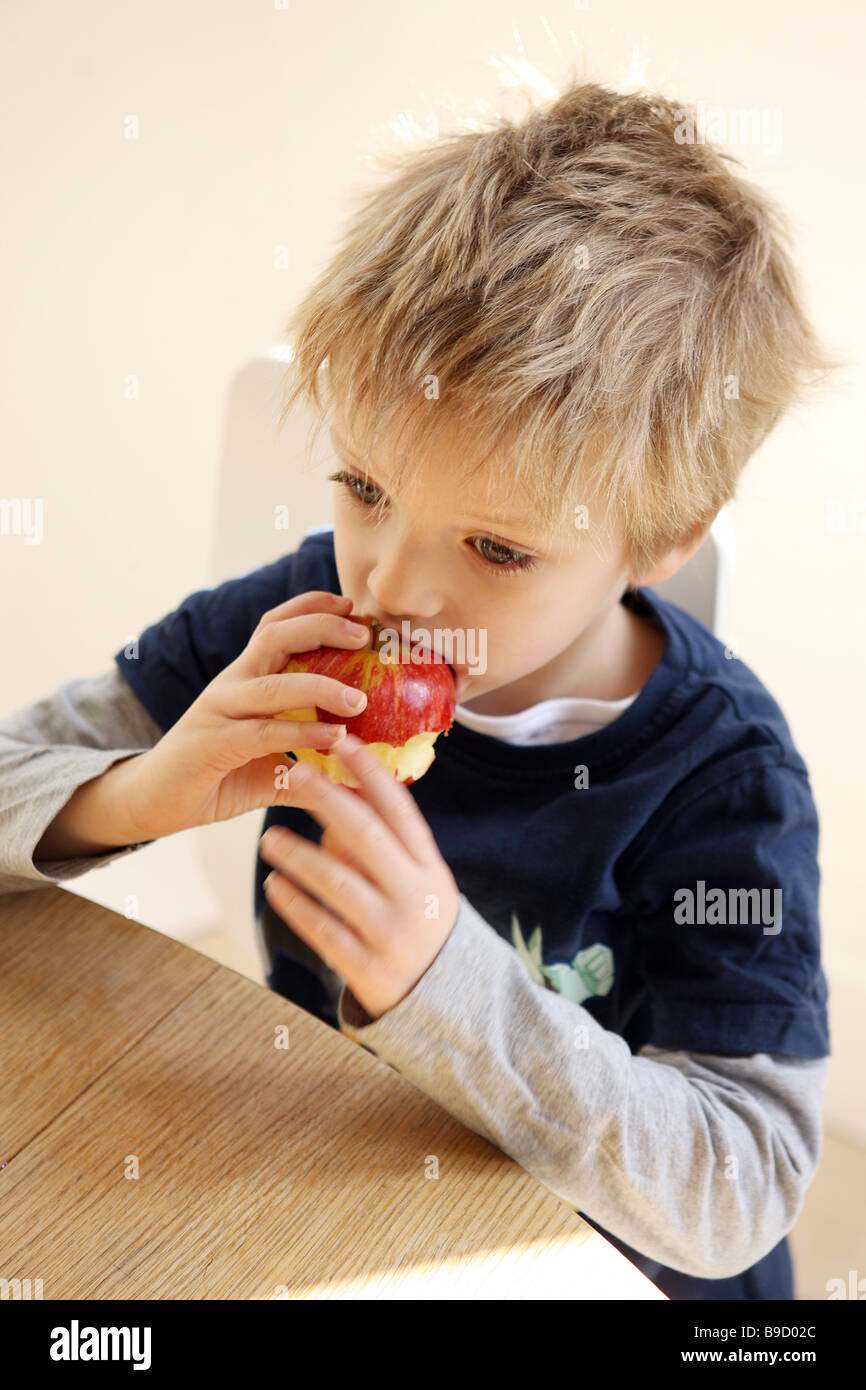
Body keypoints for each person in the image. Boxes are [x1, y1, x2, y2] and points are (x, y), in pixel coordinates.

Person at [0, 80, 842, 1300]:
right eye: (363, 487)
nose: (390, 586)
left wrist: (446, 979)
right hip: (330, 1197)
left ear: (661, 542)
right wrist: (140, 788)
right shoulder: (296, 622)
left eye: (497, 550)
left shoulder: (725, 780)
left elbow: (737, 1186)